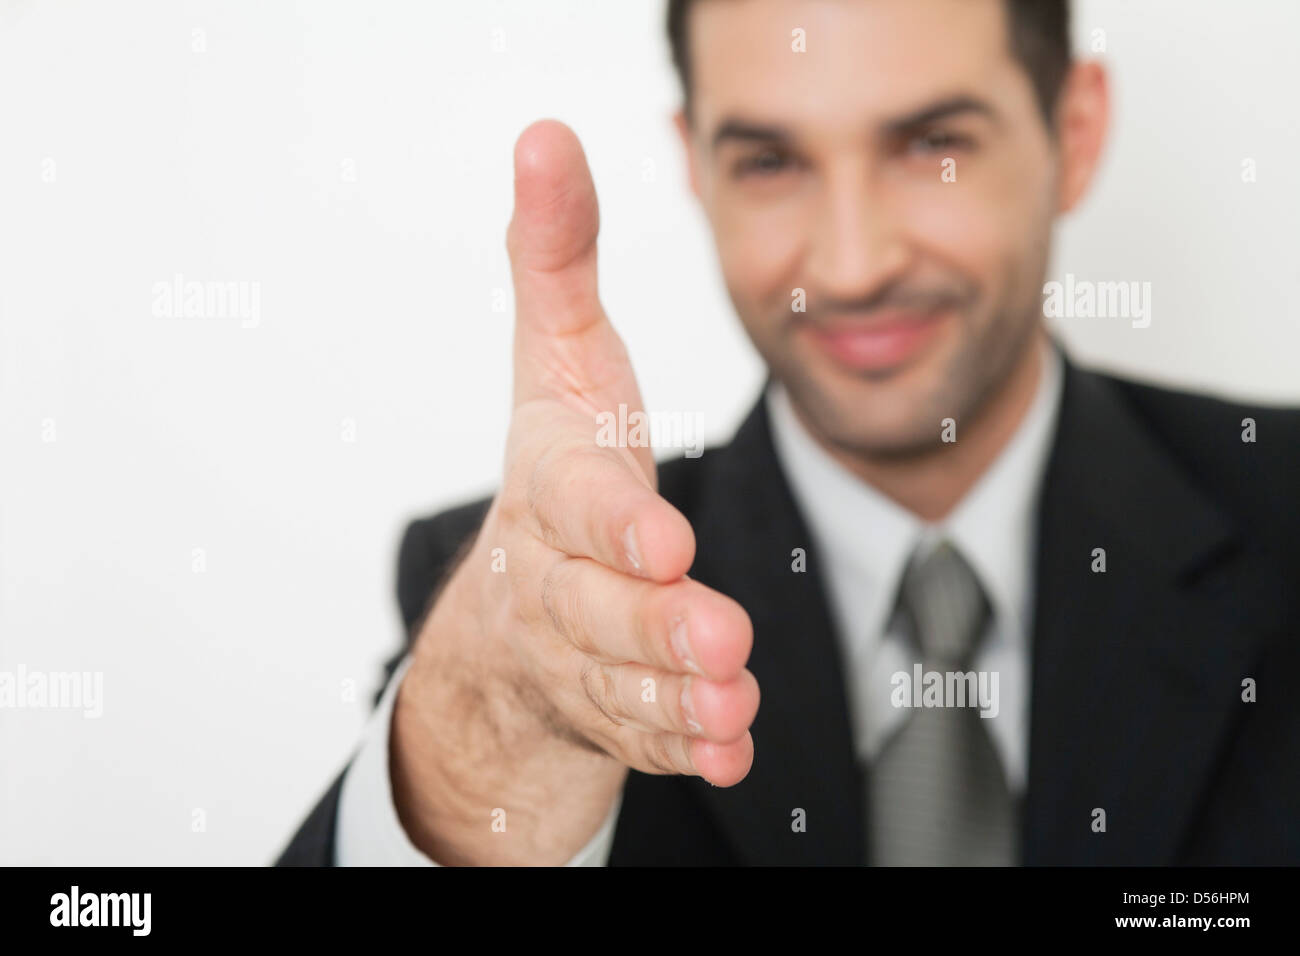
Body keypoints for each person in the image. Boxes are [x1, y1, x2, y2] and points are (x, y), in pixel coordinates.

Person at [278, 0, 1299, 866]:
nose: (851, 265)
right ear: (695, 165)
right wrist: (480, 744)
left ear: (1073, 133)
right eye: (770, 160)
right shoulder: (547, 607)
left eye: (932, 146)